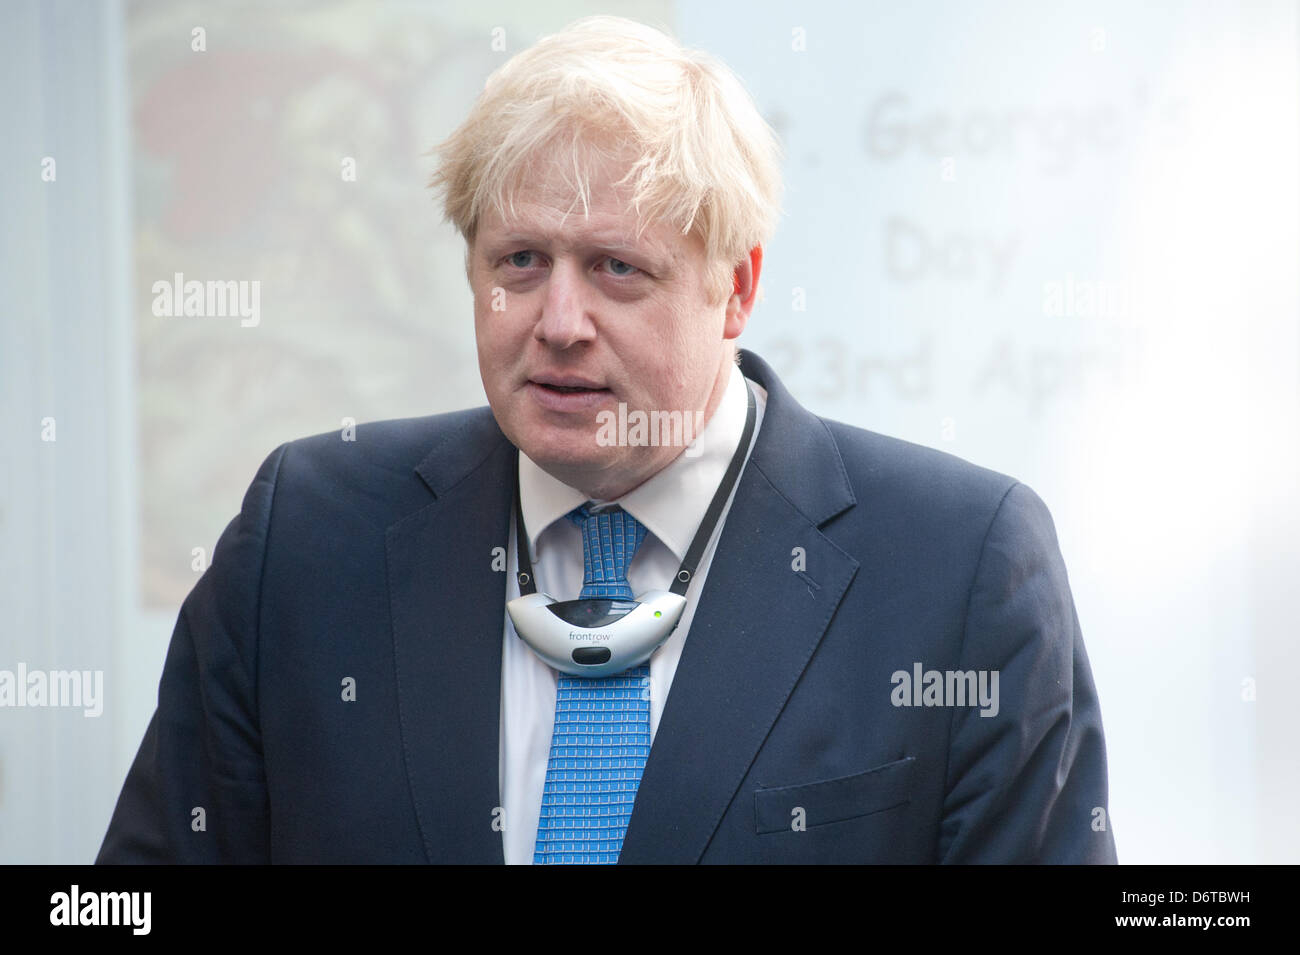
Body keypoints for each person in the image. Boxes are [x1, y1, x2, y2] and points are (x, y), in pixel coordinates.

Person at [97, 15, 1117, 864]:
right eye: (522, 259)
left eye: (617, 268)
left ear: (737, 288)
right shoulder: (307, 539)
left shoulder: (957, 568)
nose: (558, 321)